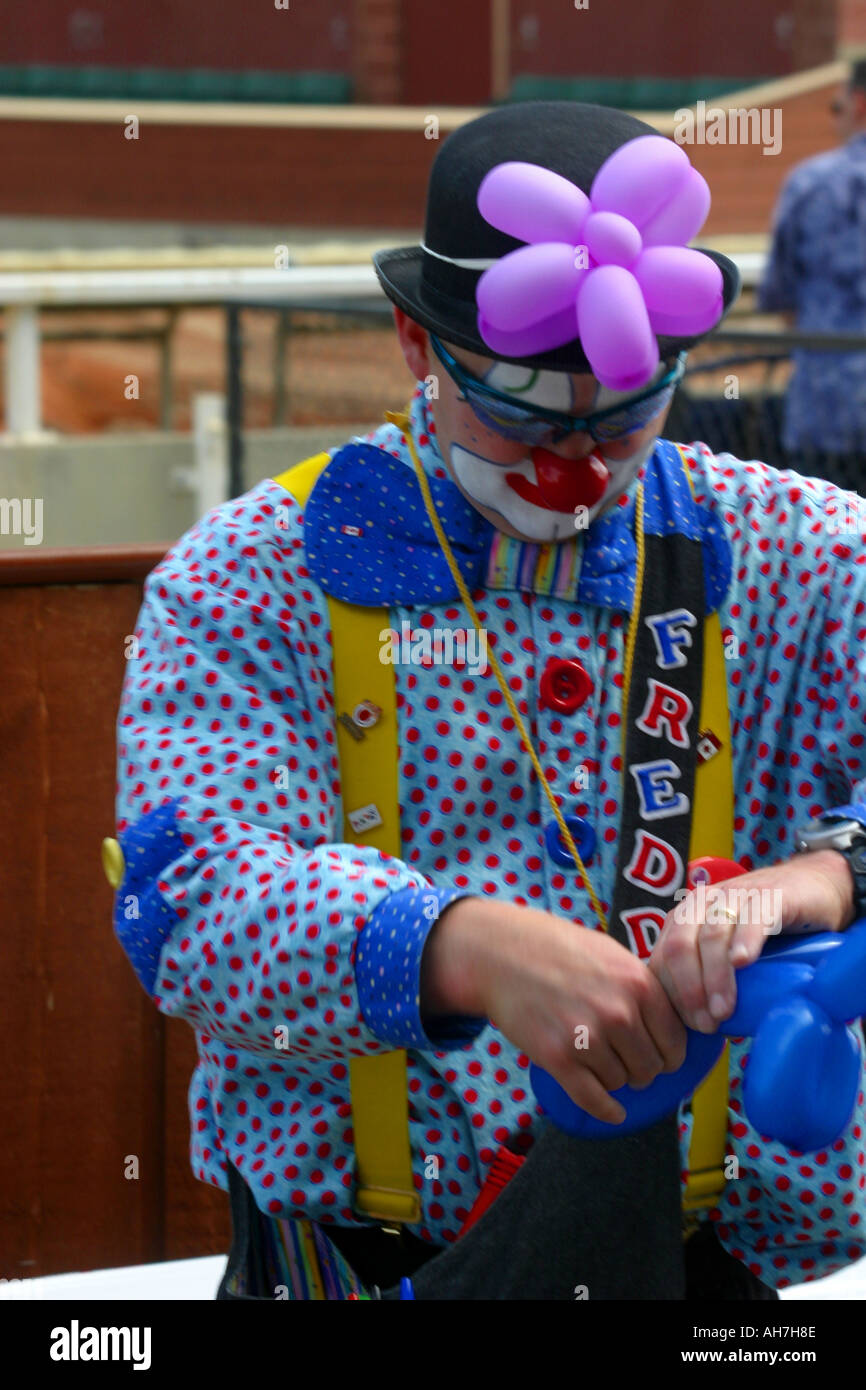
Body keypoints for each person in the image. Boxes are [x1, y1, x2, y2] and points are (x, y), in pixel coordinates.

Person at [110, 101, 866, 1301]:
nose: (572, 466)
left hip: (691, 1280)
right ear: (415, 344)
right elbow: (182, 889)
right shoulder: (252, 570)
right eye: (516, 410)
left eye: (624, 415)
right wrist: (459, 948)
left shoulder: (800, 553)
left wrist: (831, 871)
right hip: (351, 1275)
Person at [758, 59, 866, 465]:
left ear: (858, 104)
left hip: (825, 413)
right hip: (826, 412)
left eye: (835, 108)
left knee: (829, 528)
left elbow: (780, 296)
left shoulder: (809, 184)